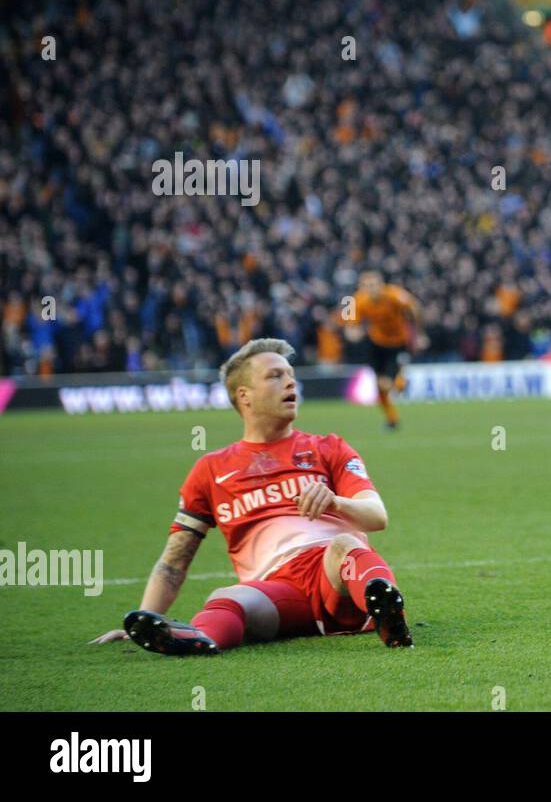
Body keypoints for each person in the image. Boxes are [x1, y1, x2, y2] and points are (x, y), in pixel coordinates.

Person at [90, 338, 413, 654]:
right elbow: (174, 561)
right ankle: (196, 638)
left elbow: (377, 517)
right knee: (227, 597)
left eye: (290, 374)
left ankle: (386, 613)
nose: (290, 382)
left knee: (344, 545)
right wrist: (147, 617)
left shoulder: (328, 447)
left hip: (337, 579)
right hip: (278, 593)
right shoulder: (210, 470)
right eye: (275, 376)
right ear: (244, 396)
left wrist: (335, 502)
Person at [346, 269, 424, 430]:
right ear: (362, 287)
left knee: (387, 384)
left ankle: (401, 381)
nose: (371, 288)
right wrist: (352, 332)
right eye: (367, 285)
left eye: (374, 284)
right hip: (376, 344)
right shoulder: (357, 300)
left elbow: (415, 307)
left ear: (382, 285)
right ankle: (392, 419)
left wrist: (418, 334)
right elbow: (350, 323)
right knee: (380, 386)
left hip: (398, 342)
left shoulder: (394, 294)